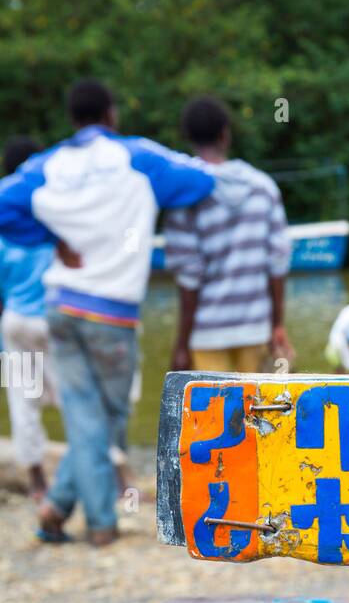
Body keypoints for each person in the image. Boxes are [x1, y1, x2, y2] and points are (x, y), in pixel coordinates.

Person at [0, 78, 219, 546]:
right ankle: (100, 524)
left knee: (83, 417)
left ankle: (57, 508)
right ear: (112, 114)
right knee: (106, 421)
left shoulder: (47, 165)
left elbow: (5, 203)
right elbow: (201, 178)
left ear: (72, 118)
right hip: (111, 312)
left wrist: (51, 237)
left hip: (60, 305)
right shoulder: (136, 157)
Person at [164, 96, 293, 373]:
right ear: (226, 134)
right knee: (255, 413)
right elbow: (278, 262)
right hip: (255, 328)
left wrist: (181, 344)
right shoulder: (263, 187)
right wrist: (277, 324)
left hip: (206, 333)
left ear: (188, 137)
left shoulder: (185, 196)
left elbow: (189, 277)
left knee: (213, 415)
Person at [0, 137, 57, 498]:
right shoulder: (52, 214)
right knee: (82, 401)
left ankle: (37, 483)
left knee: (24, 402)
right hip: (56, 320)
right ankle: (115, 479)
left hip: (16, 322)